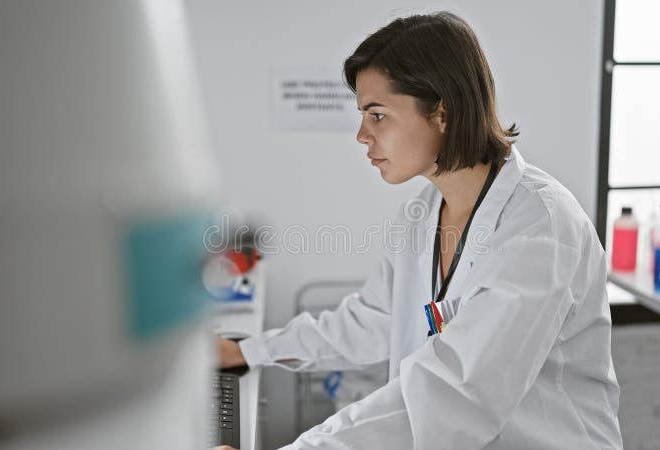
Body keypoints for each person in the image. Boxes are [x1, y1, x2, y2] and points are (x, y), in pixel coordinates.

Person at [217, 12, 622, 450]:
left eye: (378, 115)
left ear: (441, 112)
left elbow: (453, 393)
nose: (361, 135)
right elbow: (373, 320)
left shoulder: (540, 228)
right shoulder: (424, 211)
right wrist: (249, 351)